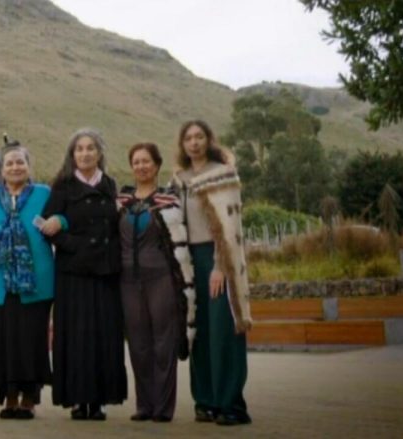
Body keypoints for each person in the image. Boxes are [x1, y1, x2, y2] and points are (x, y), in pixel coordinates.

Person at [41, 127, 127, 421]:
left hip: (105, 273)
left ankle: (99, 400)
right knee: (75, 336)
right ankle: (79, 399)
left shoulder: (111, 185)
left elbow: (116, 229)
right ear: (72, 154)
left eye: (91, 148)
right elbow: (46, 228)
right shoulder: (62, 186)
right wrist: (75, 246)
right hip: (72, 273)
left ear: (100, 153)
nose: (85, 153)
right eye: (79, 148)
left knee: (104, 335)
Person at [171, 120, 253, 426]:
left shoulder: (224, 174)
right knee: (198, 331)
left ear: (208, 140)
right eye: (188, 138)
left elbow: (230, 225)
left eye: (199, 136)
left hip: (219, 258)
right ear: (182, 144)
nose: (194, 142)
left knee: (223, 329)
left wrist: (220, 265)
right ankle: (204, 401)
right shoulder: (178, 179)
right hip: (189, 261)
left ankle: (230, 403)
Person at [0, 136, 55, 420]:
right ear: (2, 169)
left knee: (32, 340)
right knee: (4, 341)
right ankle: (8, 396)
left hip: (37, 282)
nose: (15, 167)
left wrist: (63, 222)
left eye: (20, 162)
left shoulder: (45, 194)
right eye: (10, 162)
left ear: (28, 166)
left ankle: (29, 398)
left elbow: (65, 218)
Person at [117, 142, 195, 423]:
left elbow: (180, 240)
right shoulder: (121, 202)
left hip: (161, 277)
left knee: (163, 342)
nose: (141, 166)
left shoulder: (170, 200)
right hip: (127, 280)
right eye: (136, 162)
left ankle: (162, 408)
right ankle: (144, 405)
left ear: (157, 165)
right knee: (138, 343)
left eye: (146, 161)